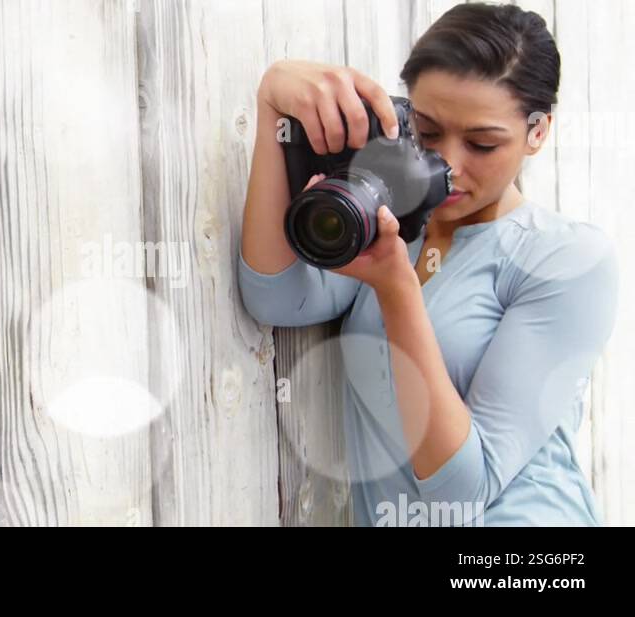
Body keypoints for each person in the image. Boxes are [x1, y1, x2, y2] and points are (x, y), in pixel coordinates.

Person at [238, 2, 618, 526]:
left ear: (538, 132)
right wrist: (271, 105)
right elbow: (275, 295)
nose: (450, 165)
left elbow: (463, 490)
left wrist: (397, 290)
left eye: (483, 143)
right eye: (428, 131)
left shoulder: (566, 260)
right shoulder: (392, 223)